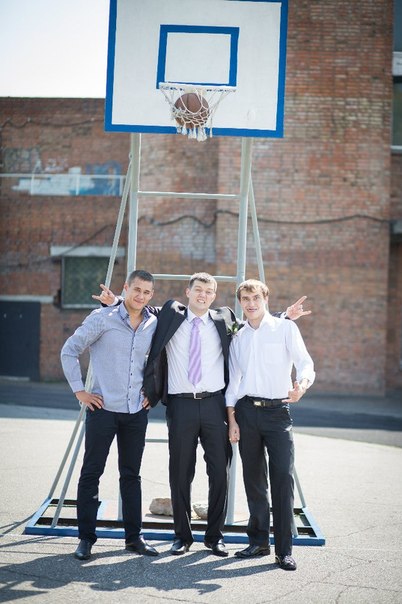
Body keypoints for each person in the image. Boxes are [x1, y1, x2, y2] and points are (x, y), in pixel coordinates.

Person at [99, 273, 308, 558]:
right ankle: (182, 536)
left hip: (215, 405)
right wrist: (115, 301)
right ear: (188, 292)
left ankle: (214, 537)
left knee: (220, 472)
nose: (203, 295)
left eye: (209, 292)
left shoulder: (225, 319)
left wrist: (284, 316)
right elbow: (141, 306)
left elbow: (256, 323)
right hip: (180, 405)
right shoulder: (171, 314)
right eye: (198, 290)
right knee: (180, 472)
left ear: (214, 296)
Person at [60, 269, 159, 561]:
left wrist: (152, 393)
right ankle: (86, 539)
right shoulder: (101, 318)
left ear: (151, 295)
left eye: (146, 292)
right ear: (126, 287)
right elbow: (69, 350)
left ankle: (134, 538)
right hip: (102, 409)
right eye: (136, 289)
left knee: (131, 475)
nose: (140, 296)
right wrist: (79, 391)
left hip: (135, 411)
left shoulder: (153, 323)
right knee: (92, 473)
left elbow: (163, 359)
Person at [226, 279, 315, 571]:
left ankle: (284, 550)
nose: (251, 304)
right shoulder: (238, 336)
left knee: (282, 479)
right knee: (254, 480)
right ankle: (258, 542)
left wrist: (302, 385)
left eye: (255, 298)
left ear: (265, 298)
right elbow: (233, 381)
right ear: (240, 302)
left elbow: (305, 362)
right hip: (246, 412)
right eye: (245, 299)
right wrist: (232, 419)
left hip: (278, 413)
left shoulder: (285, 328)